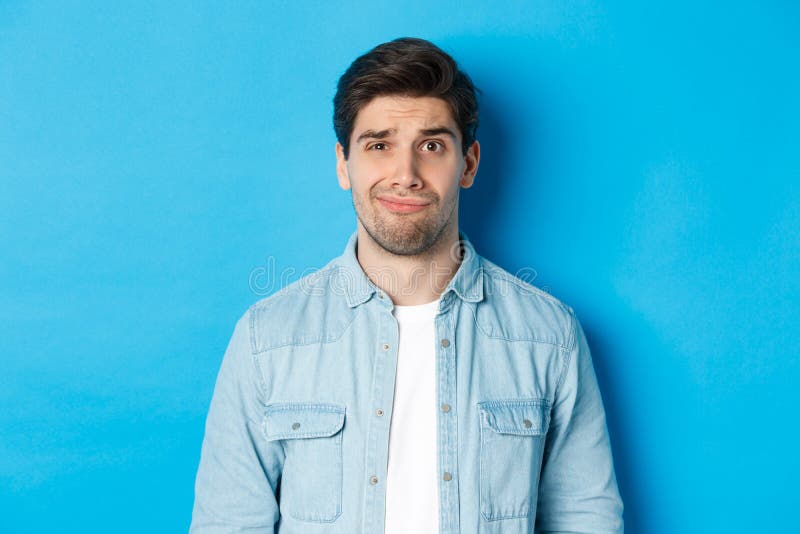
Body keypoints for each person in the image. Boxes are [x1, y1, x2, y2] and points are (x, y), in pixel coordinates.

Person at [190, 37, 623, 534]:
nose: (406, 174)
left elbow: (586, 519)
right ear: (342, 163)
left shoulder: (549, 337)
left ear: (469, 163)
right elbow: (228, 524)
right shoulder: (267, 340)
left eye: (432, 145)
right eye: (379, 145)